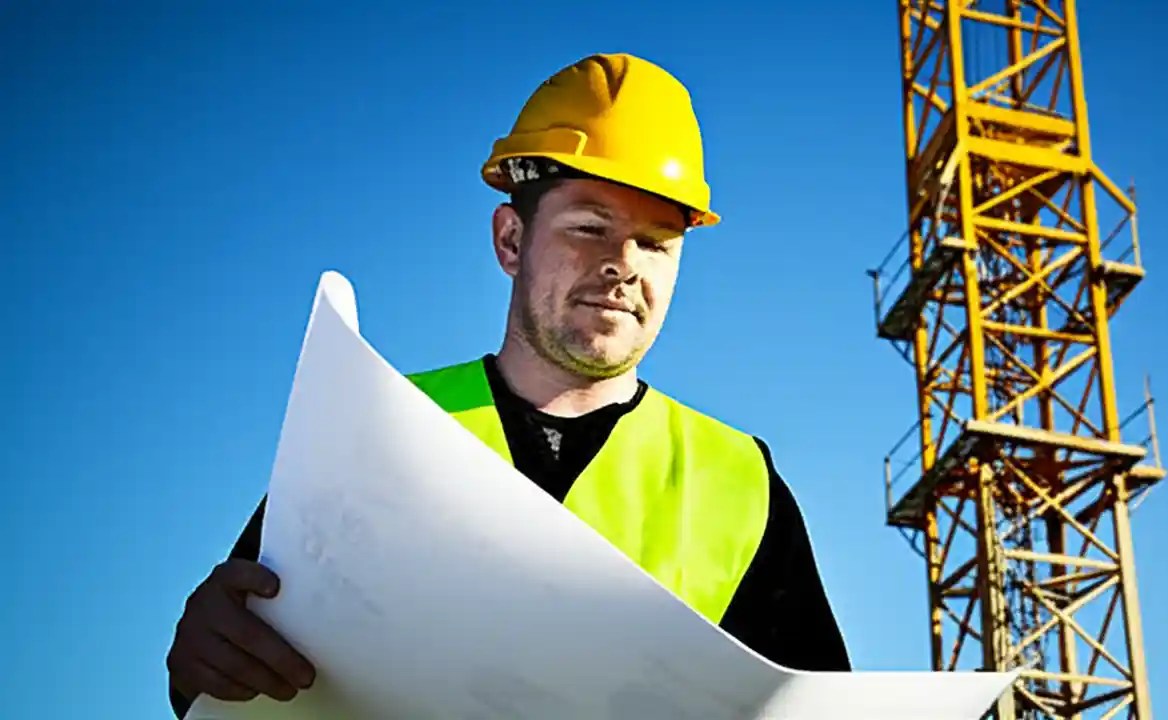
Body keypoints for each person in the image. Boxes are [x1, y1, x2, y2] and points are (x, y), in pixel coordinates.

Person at [164, 52, 849, 717]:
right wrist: (202, 659)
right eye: (591, 228)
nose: (623, 266)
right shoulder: (371, 422)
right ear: (511, 241)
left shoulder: (740, 484)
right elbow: (238, 662)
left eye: (657, 242)